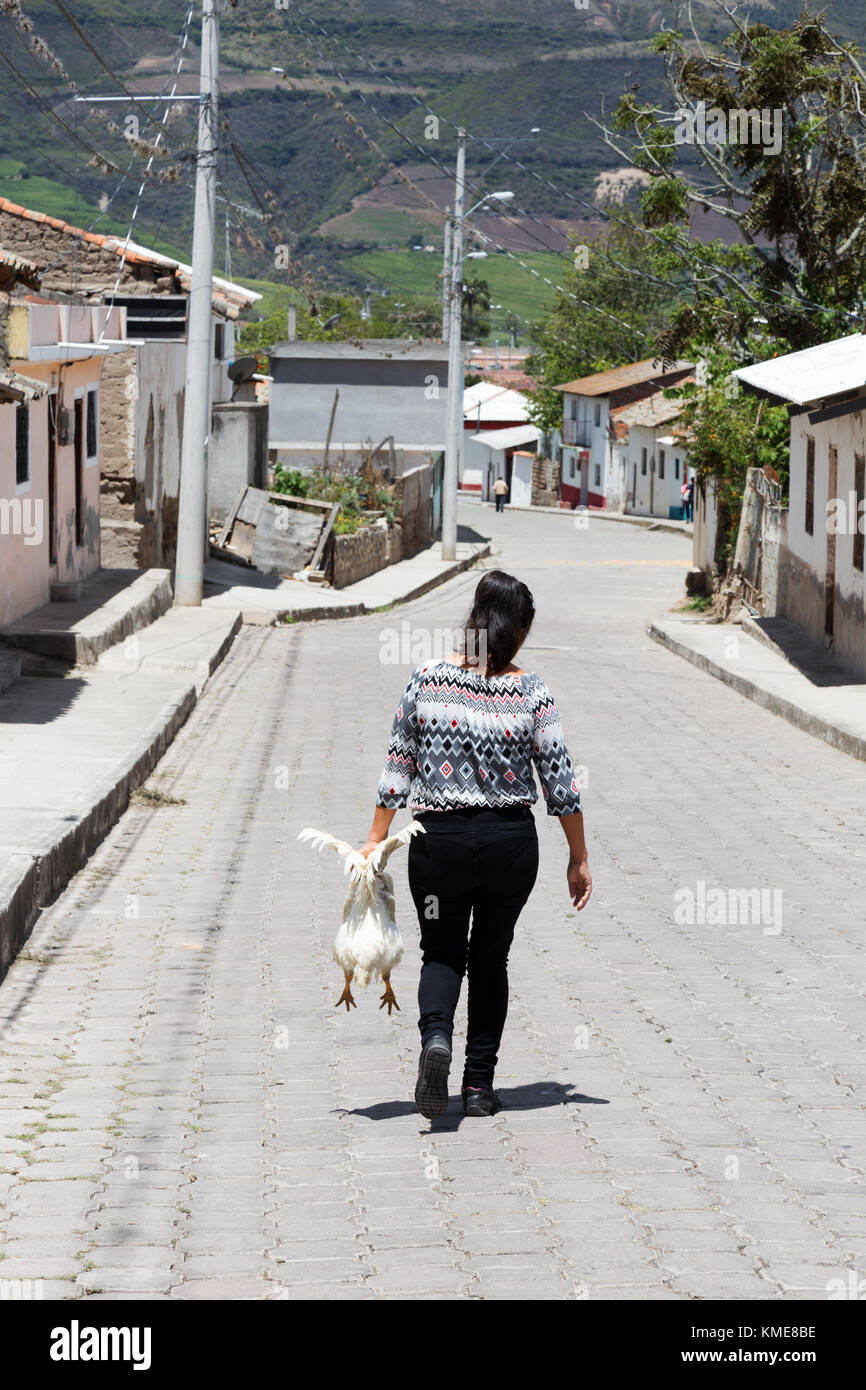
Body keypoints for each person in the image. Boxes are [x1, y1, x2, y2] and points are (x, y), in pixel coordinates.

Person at [360, 570, 592, 1120]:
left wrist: (374, 839)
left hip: (438, 843)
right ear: (520, 629)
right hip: (510, 845)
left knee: (441, 951)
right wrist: (578, 857)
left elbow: (398, 767)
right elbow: (560, 784)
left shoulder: (426, 679)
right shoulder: (533, 691)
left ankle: (435, 1040)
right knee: (491, 957)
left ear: (474, 617)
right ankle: (478, 1087)